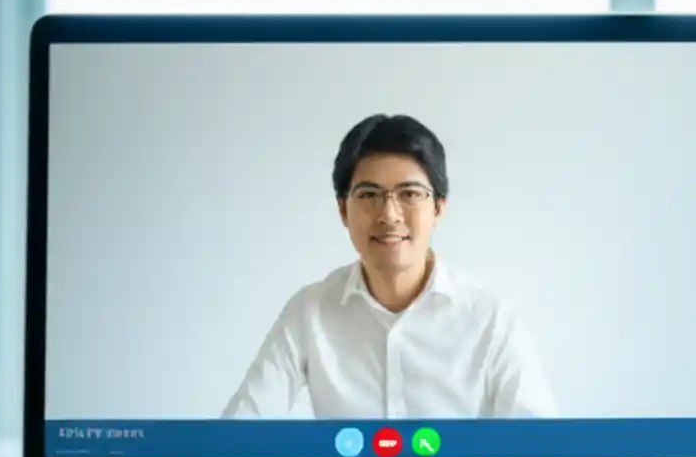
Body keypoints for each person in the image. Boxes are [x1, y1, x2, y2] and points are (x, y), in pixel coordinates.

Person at [222, 114, 557, 419]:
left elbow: (542, 450)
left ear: (438, 208)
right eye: (369, 195)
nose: (389, 214)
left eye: (409, 194)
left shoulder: (490, 318)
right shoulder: (309, 312)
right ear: (343, 210)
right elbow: (239, 432)